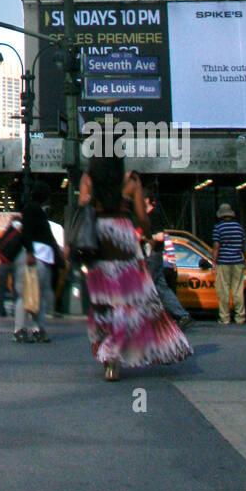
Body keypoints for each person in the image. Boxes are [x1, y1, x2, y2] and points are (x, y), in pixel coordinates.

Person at [81, 157, 192, 381]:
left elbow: (83, 207)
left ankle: (108, 354)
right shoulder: (131, 182)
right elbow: (142, 216)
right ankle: (117, 350)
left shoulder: (88, 179)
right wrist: (148, 235)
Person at [13, 182, 59, 344]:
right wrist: (31, 252)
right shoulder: (33, 210)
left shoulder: (32, 209)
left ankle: (30, 329)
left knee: (29, 294)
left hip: (36, 256)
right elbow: (28, 232)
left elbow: (27, 231)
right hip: (36, 256)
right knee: (29, 293)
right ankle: (27, 329)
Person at [144, 190, 192, 330]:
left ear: (147, 200)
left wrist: (144, 238)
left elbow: (160, 236)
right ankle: (182, 315)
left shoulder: (154, 215)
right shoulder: (145, 216)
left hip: (153, 255)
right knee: (161, 287)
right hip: (154, 256)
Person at [212, 202, 246, 325]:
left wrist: (214, 263)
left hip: (223, 262)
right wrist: (245, 258)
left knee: (223, 291)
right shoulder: (239, 227)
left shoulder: (218, 228)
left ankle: (225, 318)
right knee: (238, 290)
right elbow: (243, 245)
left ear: (221, 215)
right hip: (238, 262)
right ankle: (240, 317)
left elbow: (216, 247)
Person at [0, 214, 20, 317]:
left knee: (2, 287)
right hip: (14, 263)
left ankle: (1, 309)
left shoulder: (7, 232)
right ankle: (15, 309)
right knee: (15, 288)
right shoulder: (19, 233)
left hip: (3, 263)